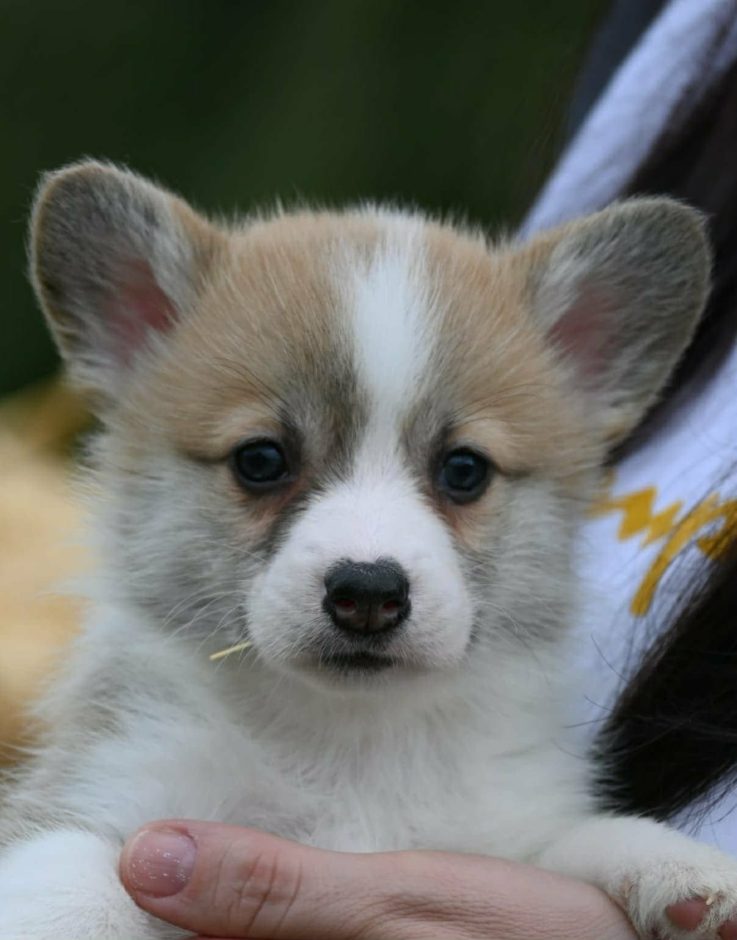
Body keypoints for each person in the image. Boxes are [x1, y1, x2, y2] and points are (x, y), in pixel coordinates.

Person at [117, 1, 737, 936]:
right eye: (264, 462)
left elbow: (523, 848)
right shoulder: (158, 721)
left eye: (460, 475)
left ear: (590, 367)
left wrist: (608, 861)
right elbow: (61, 868)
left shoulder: (518, 756)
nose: (369, 564)